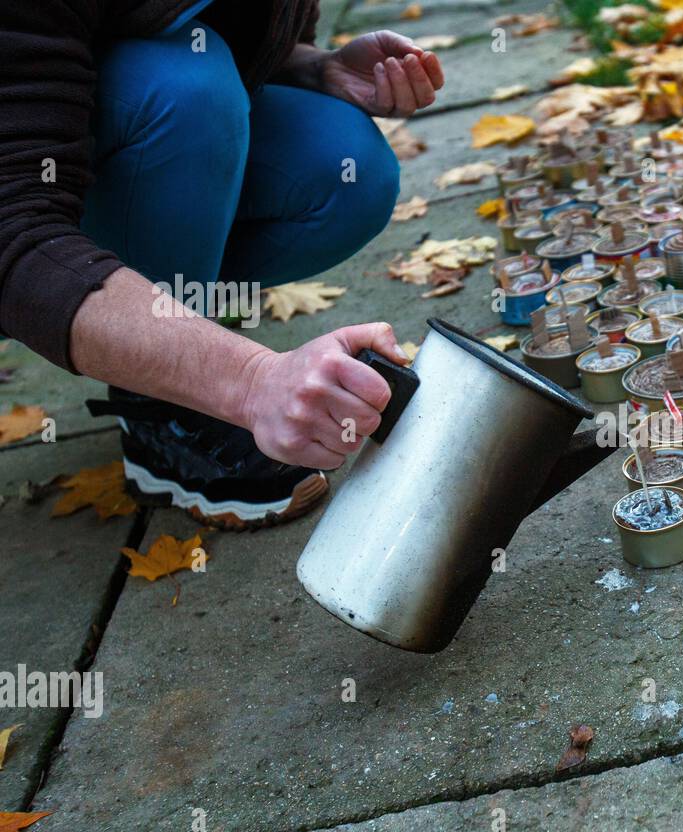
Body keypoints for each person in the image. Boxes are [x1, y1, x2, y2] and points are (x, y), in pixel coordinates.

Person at [0, 1, 444, 528]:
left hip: (122, 110)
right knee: (188, 85)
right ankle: (161, 407)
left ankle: (170, 326)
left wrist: (312, 65)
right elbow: (14, 233)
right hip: (39, 174)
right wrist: (251, 382)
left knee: (348, 170)